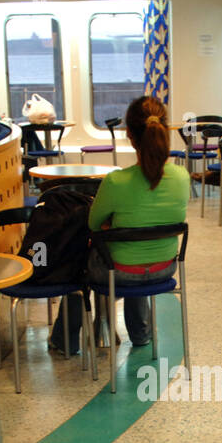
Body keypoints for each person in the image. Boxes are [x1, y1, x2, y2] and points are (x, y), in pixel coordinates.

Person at [49, 95, 189, 356]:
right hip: (165, 269)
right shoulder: (182, 177)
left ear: (130, 137)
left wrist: (113, 225)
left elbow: (93, 224)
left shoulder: (115, 182)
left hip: (119, 273)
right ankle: (141, 333)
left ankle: (64, 340)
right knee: (137, 248)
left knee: (78, 257)